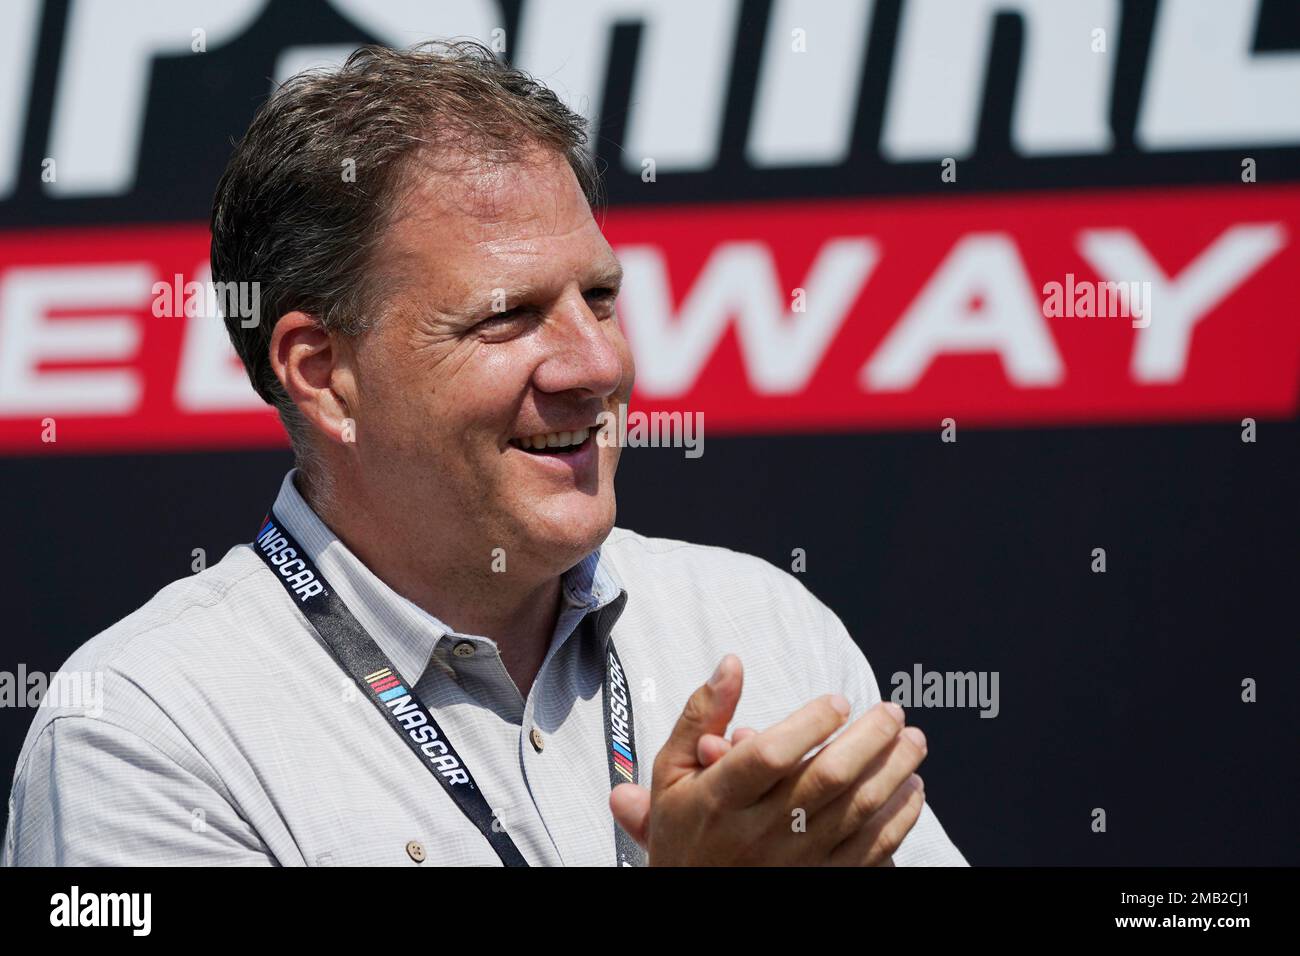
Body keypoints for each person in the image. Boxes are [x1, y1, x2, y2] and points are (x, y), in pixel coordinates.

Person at [3, 41, 966, 867]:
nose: (597, 367)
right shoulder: (144, 735)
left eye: (598, 298)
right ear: (324, 372)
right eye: (507, 317)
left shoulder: (757, 621)